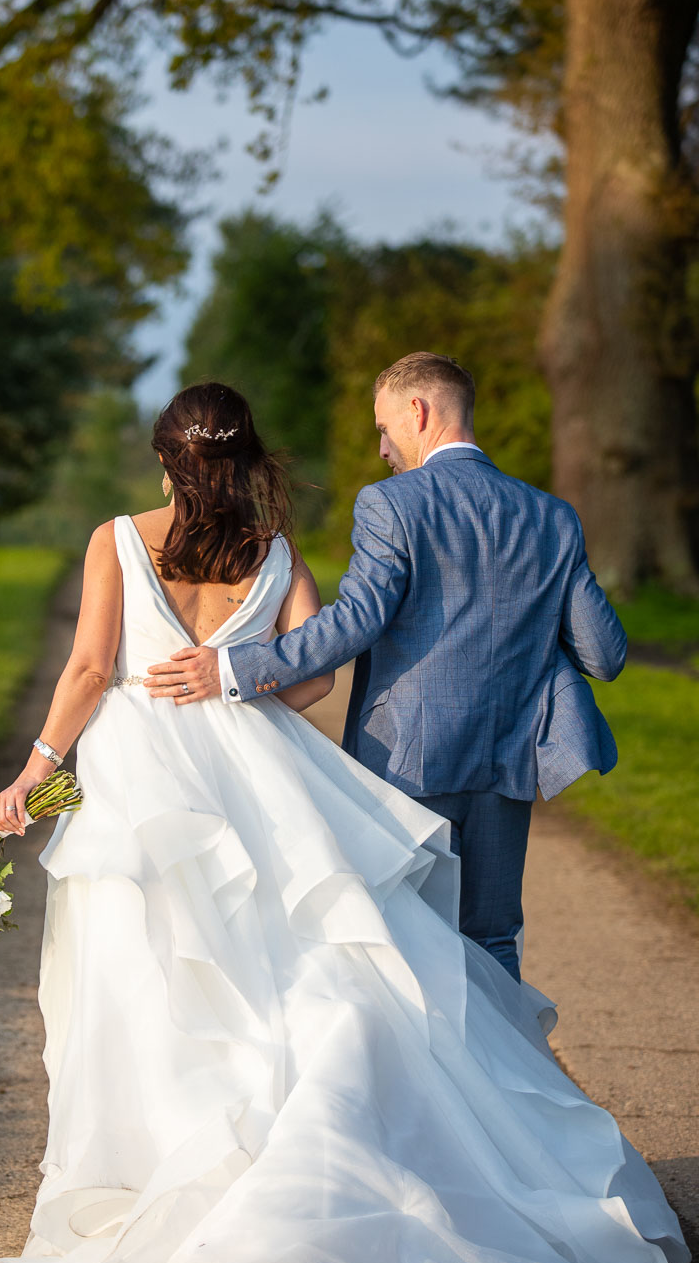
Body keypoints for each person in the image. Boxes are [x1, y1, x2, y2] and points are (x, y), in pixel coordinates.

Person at [0, 379, 688, 1263]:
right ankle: (439, 1142)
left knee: (153, 969)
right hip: (271, 760)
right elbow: (315, 675)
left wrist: (37, 769)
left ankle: (169, 1170)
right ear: (246, 457)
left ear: (165, 460)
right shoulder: (278, 550)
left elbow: (91, 671)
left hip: (148, 776)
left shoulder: (116, 539)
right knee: (331, 958)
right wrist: (242, 693)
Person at [146, 353, 623, 986]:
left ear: (417, 413)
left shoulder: (392, 504)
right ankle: (502, 1052)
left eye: (383, 428)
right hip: (509, 756)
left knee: (406, 936)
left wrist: (234, 668)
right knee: (492, 939)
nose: (382, 449)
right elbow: (604, 655)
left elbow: (355, 622)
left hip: (407, 758)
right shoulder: (551, 516)